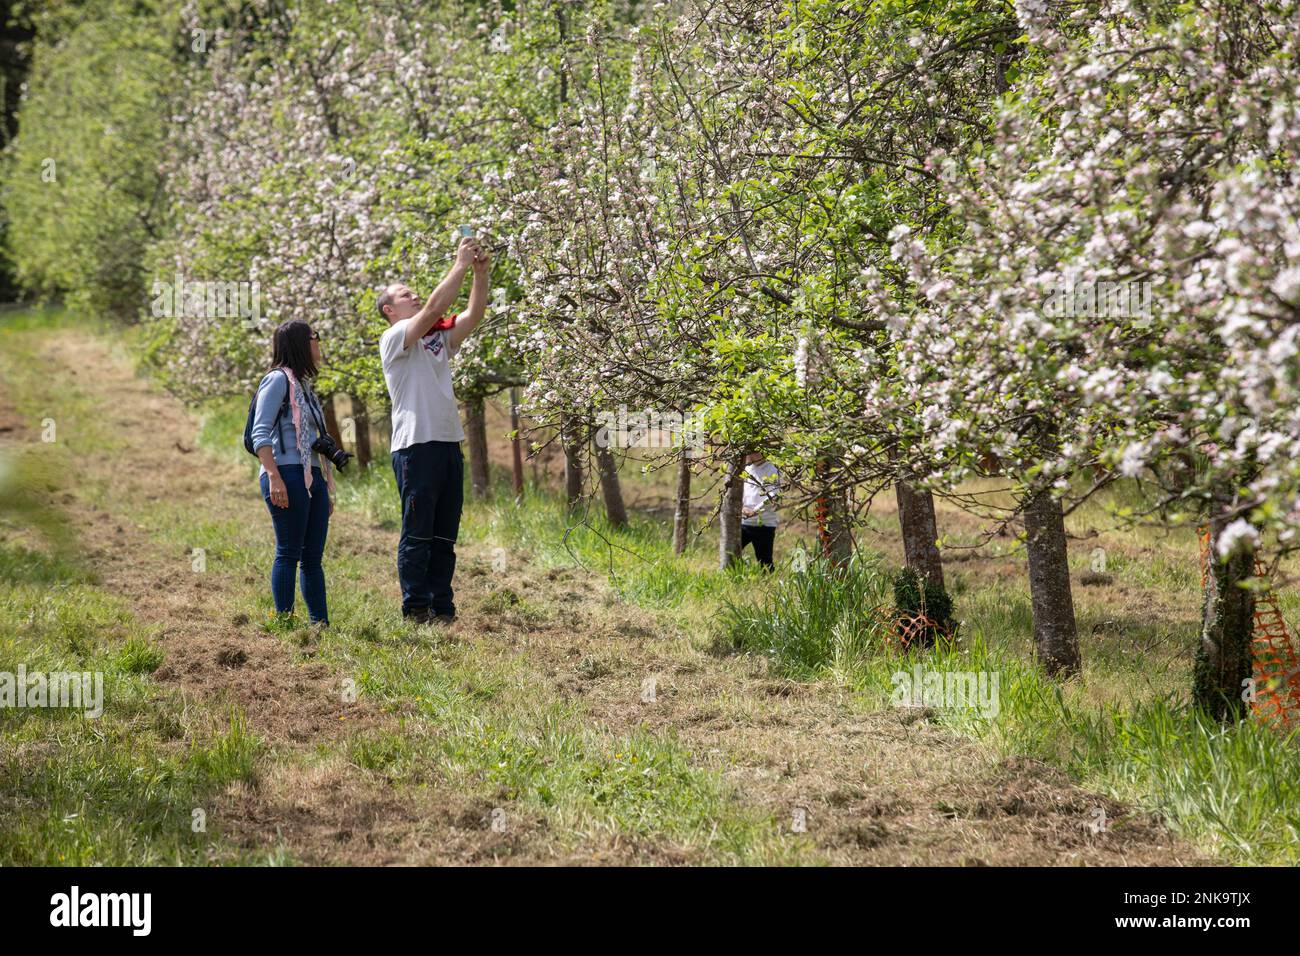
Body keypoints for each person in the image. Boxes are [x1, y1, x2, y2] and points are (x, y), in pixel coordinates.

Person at [378, 235, 490, 625]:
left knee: (445, 534)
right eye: (405, 294)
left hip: (446, 443)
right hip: (415, 446)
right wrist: (458, 265)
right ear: (391, 309)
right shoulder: (395, 338)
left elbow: (472, 316)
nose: (415, 296)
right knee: (418, 531)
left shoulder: (436, 338)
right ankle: (416, 606)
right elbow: (433, 308)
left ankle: (443, 606)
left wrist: (480, 273)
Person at [250, 320, 335, 626]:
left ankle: (319, 624)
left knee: (312, 558)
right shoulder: (277, 381)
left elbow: (314, 442)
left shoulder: (305, 389)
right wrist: (274, 476)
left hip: (311, 475)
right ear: (302, 343)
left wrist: (324, 485)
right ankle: (285, 622)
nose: (319, 343)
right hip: (286, 473)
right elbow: (260, 433)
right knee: (289, 551)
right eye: (316, 337)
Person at [740, 451, 781, 571]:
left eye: (754, 452)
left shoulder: (772, 469)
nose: (750, 455)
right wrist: (742, 508)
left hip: (764, 524)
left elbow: (774, 494)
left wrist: (756, 511)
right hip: (745, 522)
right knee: (732, 552)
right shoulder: (747, 469)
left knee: (765, 562)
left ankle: (768, 584)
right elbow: (741, 492)